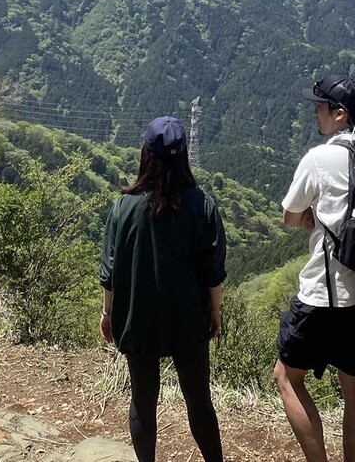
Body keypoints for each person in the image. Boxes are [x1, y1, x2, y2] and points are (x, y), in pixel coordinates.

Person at [275, 73, 355, 462]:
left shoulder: (320, 158)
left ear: (340, 114)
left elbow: (290, 215)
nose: (315, 114)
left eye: (320, 108)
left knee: (287, 377)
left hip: (324, 292)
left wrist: (311, 216)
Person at [100, 116, 226, 462]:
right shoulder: (201, 204)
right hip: (188, 316)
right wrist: (215, 310)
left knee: (142, 397)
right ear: (183, 155)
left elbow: (109, 270)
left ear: (145, 153)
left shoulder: (124, 206)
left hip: (137, 315)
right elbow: (213, 270)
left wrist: (108, 312)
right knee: (198, 397)